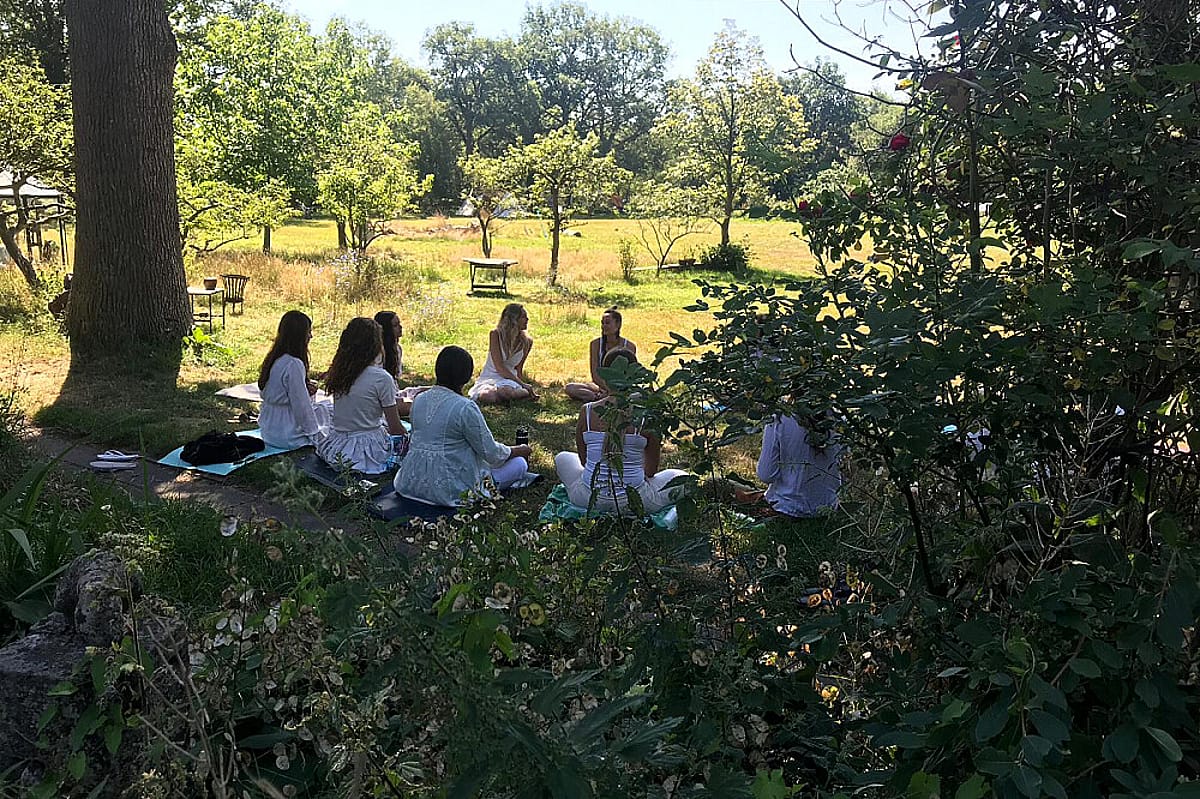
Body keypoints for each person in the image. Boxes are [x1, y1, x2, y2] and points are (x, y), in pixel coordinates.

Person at [554, 348, 691, 515]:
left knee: (563, 458)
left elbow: (584, 462)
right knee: (681, 477)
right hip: (635, 502)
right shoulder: (646, 415)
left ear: (604, 377)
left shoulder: (587, 411)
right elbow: (650, 471)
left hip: (587, 499)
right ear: (635, 376)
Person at [395, 346, 533, 506]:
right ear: (466, 377)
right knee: (519, 464)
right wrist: (519, 450)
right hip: (451, 489)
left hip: (411, 483)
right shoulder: (464, 407)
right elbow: (491, 453)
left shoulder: (419, 400)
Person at [317, 317, 406, 474]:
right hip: (367, 449)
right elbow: (395, 428)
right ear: (376, 345)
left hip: (337, 445)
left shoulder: (339, 372)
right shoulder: (381, 378)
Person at [257, 310, 331, 449]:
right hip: (287, 434)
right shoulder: (293, 364)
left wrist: (305, 388)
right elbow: (302, 408)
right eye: (308, 332)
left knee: (324, 409)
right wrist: (318, 437)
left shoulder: (274, 359)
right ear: (299, 335)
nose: (311, 336)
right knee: (329, 412)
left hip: (268, 430)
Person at [751, 414, 843, 517]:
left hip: (786, 507)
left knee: (739, 492)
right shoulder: (839, 420)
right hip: (828, 506)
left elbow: (766, 475)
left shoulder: (779, 418)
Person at [469, 303, 538, 404]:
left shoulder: (527, 342)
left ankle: (519, 393)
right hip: (490, 377)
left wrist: (521, 383)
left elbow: (518, 369)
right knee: (487, 396)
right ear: (513, 319)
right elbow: (499, 367)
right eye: (523, 316)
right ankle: (514, 396)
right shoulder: (495, 335)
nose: (527, 319)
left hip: (510, 380)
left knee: (505, 391)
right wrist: (523, 384)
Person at [564, 306, 637, 402]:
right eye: (602, 323)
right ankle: (599, 397)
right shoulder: (595, 344)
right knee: (570, 388)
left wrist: (616, 389)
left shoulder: (629, 346)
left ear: (618, 324)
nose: (604, 326)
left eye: (607, 323)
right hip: (600, 386)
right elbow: (595, 375)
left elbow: (631, 374)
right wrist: (606, 388)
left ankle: (602, 398)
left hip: (621, 387)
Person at [374, 309, 428, 416]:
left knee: (428, 391)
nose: (400, 327)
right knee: (418, 406)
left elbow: (395, 379)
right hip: (383, 397)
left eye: (399, 324)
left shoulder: (397, 349)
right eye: (395, 325)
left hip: (395, 392)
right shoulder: (377, 354)